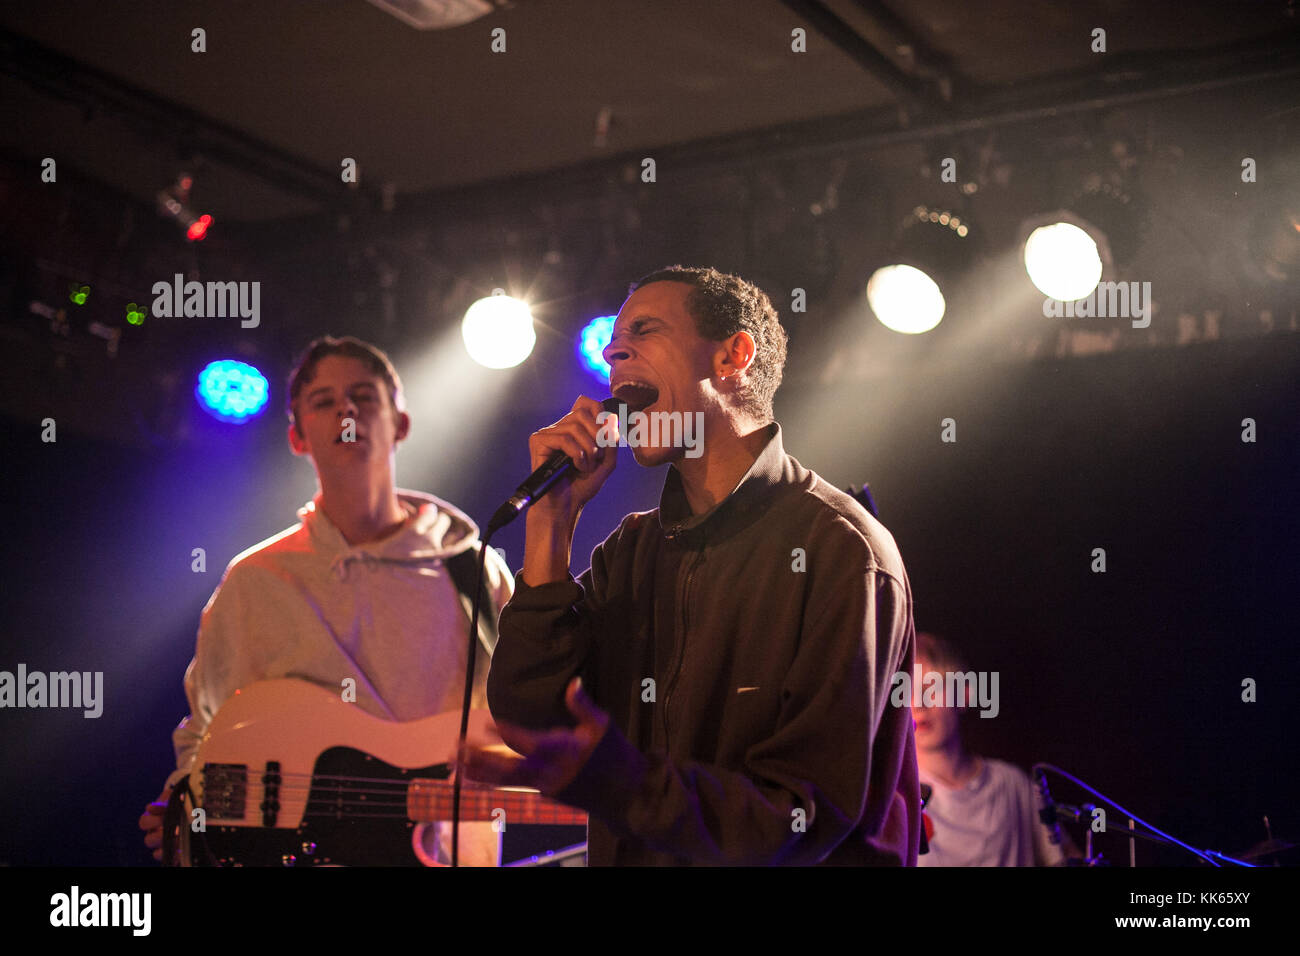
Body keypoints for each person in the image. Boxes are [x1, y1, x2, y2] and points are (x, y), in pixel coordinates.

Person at [464, 265, 920, 865]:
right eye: (610, 347)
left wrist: (619, 778)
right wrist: (551, 523)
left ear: (733, 356)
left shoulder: (840, 549)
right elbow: (532, 717)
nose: (613, 351)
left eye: (643, 330)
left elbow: (801, 813)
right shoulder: (631, 553)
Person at [138, 335, 512, 866]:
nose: (346, 409)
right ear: (296, 435)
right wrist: (187, 813)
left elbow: (520, 719)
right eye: (324, 401)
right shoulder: (255, 578)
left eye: (364, 395)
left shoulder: (475, 572)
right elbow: (208, 731)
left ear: (401, 424)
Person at [911, 632, 1066, 867]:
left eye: (930, 688)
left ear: (963, 695)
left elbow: (1067, 858)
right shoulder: (895, 797)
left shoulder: (1012, 785)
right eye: (906, 692)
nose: (918, 704)